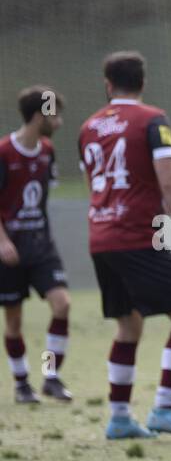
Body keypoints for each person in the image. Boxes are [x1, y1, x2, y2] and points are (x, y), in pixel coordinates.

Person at [77, 51, 171, 438]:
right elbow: (170, 182)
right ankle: (164, 410)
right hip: (136, 236)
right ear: (143, 83)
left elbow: (92, 188)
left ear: (108, 84)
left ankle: (119, 418)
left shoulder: (88, 127)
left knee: (128, 326)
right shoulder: (153, 120)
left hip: (101, 238)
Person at [1, 85, 73, 403]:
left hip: (41, 245)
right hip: (8, 249)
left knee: (62, 304)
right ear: (37, 116)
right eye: (54, 115)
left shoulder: (47, 151)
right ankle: (21, 384)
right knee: (14, 319)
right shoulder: (4, 153)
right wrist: (3, 242)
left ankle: (50, 376)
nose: (58, 122)